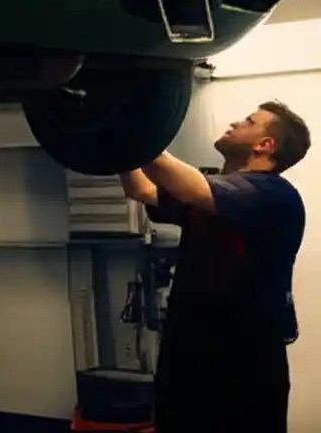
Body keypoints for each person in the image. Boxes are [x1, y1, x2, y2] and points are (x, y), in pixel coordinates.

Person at [119, 100, 308, 433]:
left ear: (265, 145)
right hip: (187, 354)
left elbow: (186, 184)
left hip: (243, 367)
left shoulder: (273, 195)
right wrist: (117, 146)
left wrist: (128, 123)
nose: (236, 123)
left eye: (249, 121)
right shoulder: (209, 191)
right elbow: (142, 189)